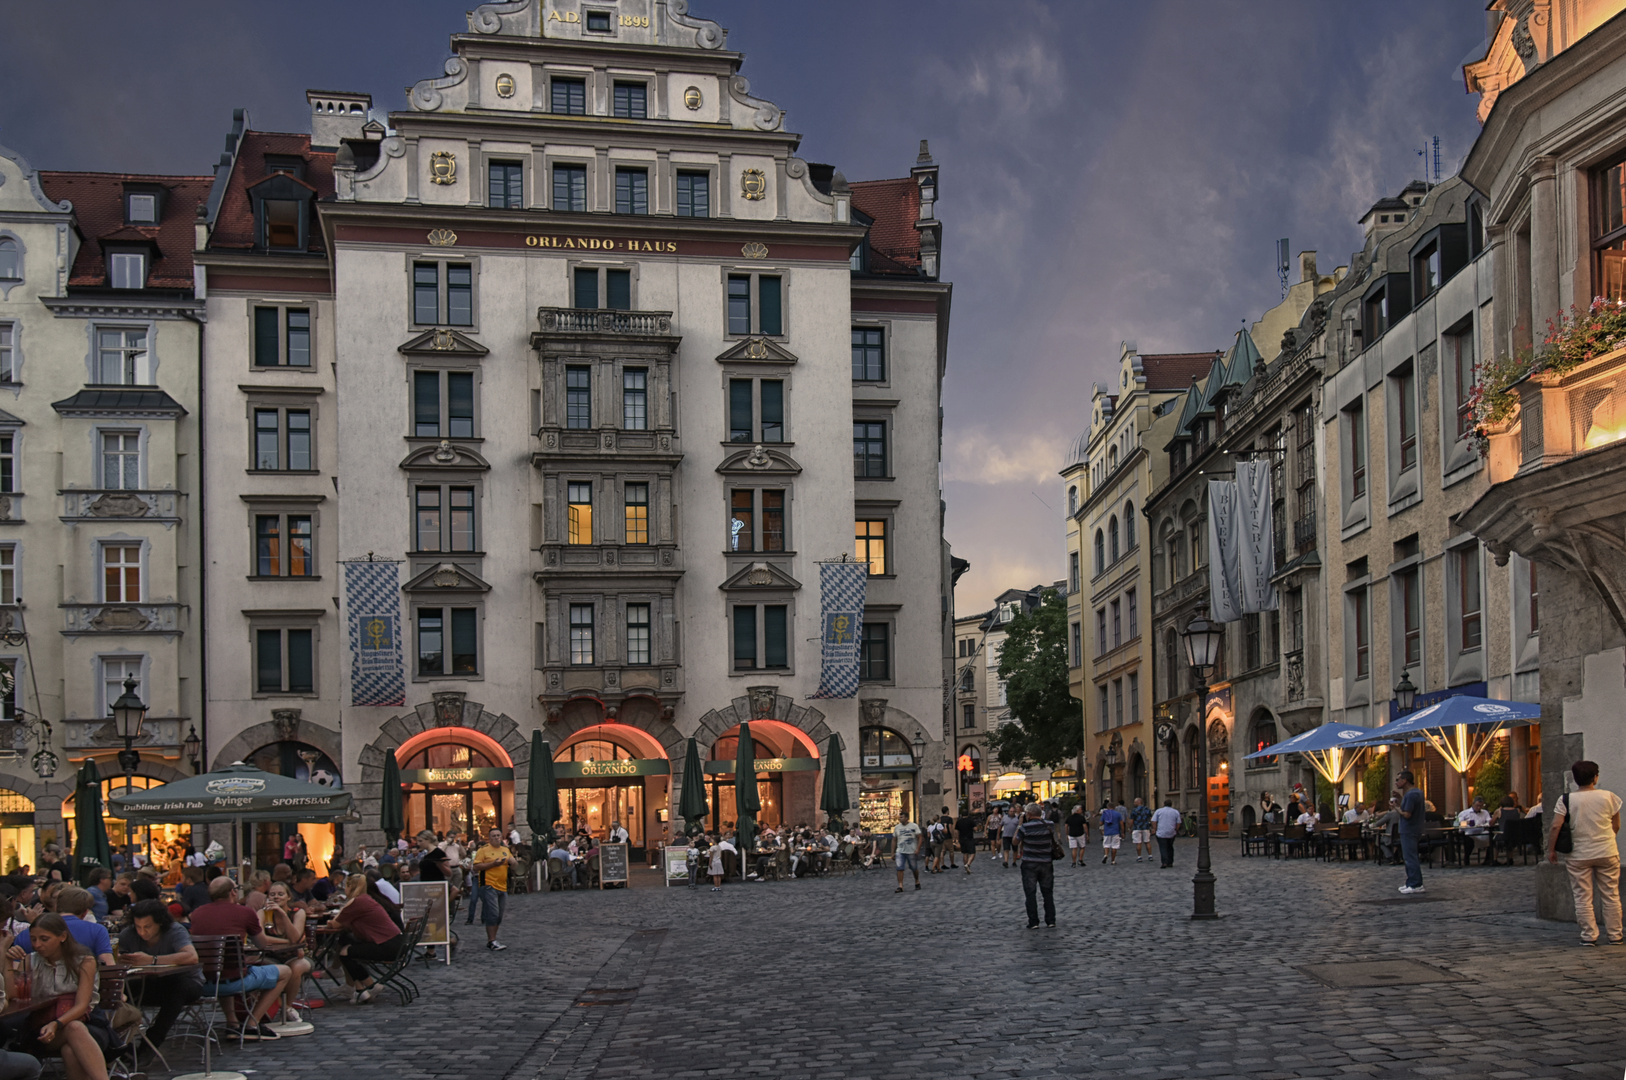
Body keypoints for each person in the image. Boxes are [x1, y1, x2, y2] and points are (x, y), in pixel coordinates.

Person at [186, 877, 291, 1041]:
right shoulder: (244, 912)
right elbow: (262, 944)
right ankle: (252, 1023)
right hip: (235, 981)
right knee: (284, 971)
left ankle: (233, 1023)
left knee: (222, 968)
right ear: (233, 892)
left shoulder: (197, 913)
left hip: (204, 983)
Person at [16, 914, 107, 1080]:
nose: (37, 945)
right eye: (33, 939)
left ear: (62, 937)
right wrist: (6, 960)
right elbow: (13, 995)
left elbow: (82, 1005)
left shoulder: (84, 960)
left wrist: (56, 1024)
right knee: (73, 1031)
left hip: (86, 1023)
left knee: (70, 1047)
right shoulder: (30, 960)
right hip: (41, 1027)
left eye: (44, 939)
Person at [1549, 759, 1623, 946]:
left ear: (1575, 779)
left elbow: (1556, 826)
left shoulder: (1566, 800)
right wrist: (1606, 838)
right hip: (1606, 850)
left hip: (1579, 854)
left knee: (1582, 895)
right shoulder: (1609, 797)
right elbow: (1616, 825)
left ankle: (1589, 935)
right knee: (1611, 894)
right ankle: (1615, 934)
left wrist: (1551, 849)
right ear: (1595, 777)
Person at [116, 899, 202, 1057]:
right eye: (138, 927)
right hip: (146, 983)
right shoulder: (128, 934)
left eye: (147, 927)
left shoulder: (175, 931)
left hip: (185, 983)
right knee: (118, 992)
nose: (142, 932)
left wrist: (151, 959)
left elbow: (191, 957)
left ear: (160, 923)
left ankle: (151, 1043)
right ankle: (118, 1046)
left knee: (177, 989)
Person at [331, 875, 403, 1003]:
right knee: (345, 942)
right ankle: (361, 991)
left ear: (349, 887)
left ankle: (371, 985)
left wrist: (330, 921)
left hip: (388, 946)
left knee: (345, 952)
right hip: (396, 943)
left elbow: (335, 924)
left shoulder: (357, 902)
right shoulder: (366, 899)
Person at [13, 889, 112, 967]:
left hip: (35, 990)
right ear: (85, 913)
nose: (38, 944)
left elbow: (15, 973)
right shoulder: (97, 930)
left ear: (57, 907)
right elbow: (108, 966)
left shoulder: (25, 934)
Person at [470, 828, 516, 951]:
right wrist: (492, 864)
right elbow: (476, 867)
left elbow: (514, 866)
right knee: (493, 913)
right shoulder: (483, 850)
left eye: (498, 835)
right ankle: (492, 940)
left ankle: (493, 939)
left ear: (501, 837)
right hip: (489, 885)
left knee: (499, 915)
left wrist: (514, 862)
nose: (496, 838)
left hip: (503, 886)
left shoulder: (505, 850)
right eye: (493, 836)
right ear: (489, 838)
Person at [1013, 803, 1057, 929]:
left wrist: (1020, 824)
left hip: (1029, 863)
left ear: (1029, 814)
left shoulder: (1025, 828)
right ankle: (1050, 920)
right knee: (1048, 892)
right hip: (1046, 862)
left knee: (1030, 893)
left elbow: (1015, 842)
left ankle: (1033, 922)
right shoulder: (1050, 825)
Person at [1394, 769, 1427, 895]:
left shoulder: (1410, 795)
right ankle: (1411, 882)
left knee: (1410, 857)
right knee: (1410, 856)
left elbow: (1407, 813)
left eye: (1398, 780)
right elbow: (1408, 806)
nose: (1396, 782)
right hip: (1416, 828)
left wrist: (1395, 808)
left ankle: (1415, 884)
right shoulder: (1417, 792)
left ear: (1405, 780)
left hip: (1409, 829)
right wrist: (1400, 799)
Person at [893, 813, 924, 894]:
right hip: (900, 851)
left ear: (907, 818)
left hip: (911, 851)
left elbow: (920, 837)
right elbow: (894, 839)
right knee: (900, 868)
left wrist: (918, 848)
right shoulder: (897, 827)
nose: (900, 819)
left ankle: (917, 881)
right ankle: (900, 886)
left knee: (914, 868)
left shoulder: (914, 826)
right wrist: (892, 852)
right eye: (899, 817)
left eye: (902, 817)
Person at [1456, 797, 1493, 864]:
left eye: (1480, 806)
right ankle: (1466, 858)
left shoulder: (1485, 812)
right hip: (1468, 833)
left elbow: (1489, 821)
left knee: (1491, 837)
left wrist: (1485, 825)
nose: (1479, 807)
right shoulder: (1464, 813)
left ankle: (1488, 859)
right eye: (1477, 806)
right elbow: (1458, 824)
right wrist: (1467, 822)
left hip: (1481, 832)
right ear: (1473, 804)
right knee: (1468, 841)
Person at [1151, 799, 1181, 868]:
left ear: (1164, 804)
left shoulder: (1159, 811)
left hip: (1161, 832)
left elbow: (1154, 821)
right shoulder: (1175, 812)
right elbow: (1178, 822)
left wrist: (1154, 829)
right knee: (1170, 847)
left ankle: (1164, 862)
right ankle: (1170, 862)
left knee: (1163, 847)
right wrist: (1176, 830)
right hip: (1171, 832)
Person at [1099, 801, 1123, 865]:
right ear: (1114, 807)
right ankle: (1113, 861)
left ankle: (1106, 855)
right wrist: (1122, 832)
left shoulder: (1105, 813)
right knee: (1114, 846)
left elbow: (1100, 823)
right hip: (1115, 831)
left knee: (1106, 845)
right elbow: (1121, 823)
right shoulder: (1117, 814)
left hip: (1107, 832)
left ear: (1107, 807)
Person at [1129, 798, 1153, 863]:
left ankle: (1139, 857)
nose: (1134, 803)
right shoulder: (1147, 809)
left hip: (1137, 827)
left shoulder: (1134, 810)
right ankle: (1150, 855)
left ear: (1138, 802)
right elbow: (1151, 818)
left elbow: (1132, 820)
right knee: (1147, 841)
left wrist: (1130, 827)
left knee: (1138, 843)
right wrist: (1152, 827)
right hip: (1146, 827)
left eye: (1135, 802)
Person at [1064, 803, 1088, 868]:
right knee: (1082, 847)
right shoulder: (1081, 818)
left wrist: (1067, 834)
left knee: (1074, 849)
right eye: (1080, 809)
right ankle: (1080, 859)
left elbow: (1066, 826)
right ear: (1077, 811)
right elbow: (1085, 826)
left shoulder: (1069, 818)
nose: (1081, 810)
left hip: (1071, 834)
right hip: (1080, 834)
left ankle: (1074, 862)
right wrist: (1087, 834)